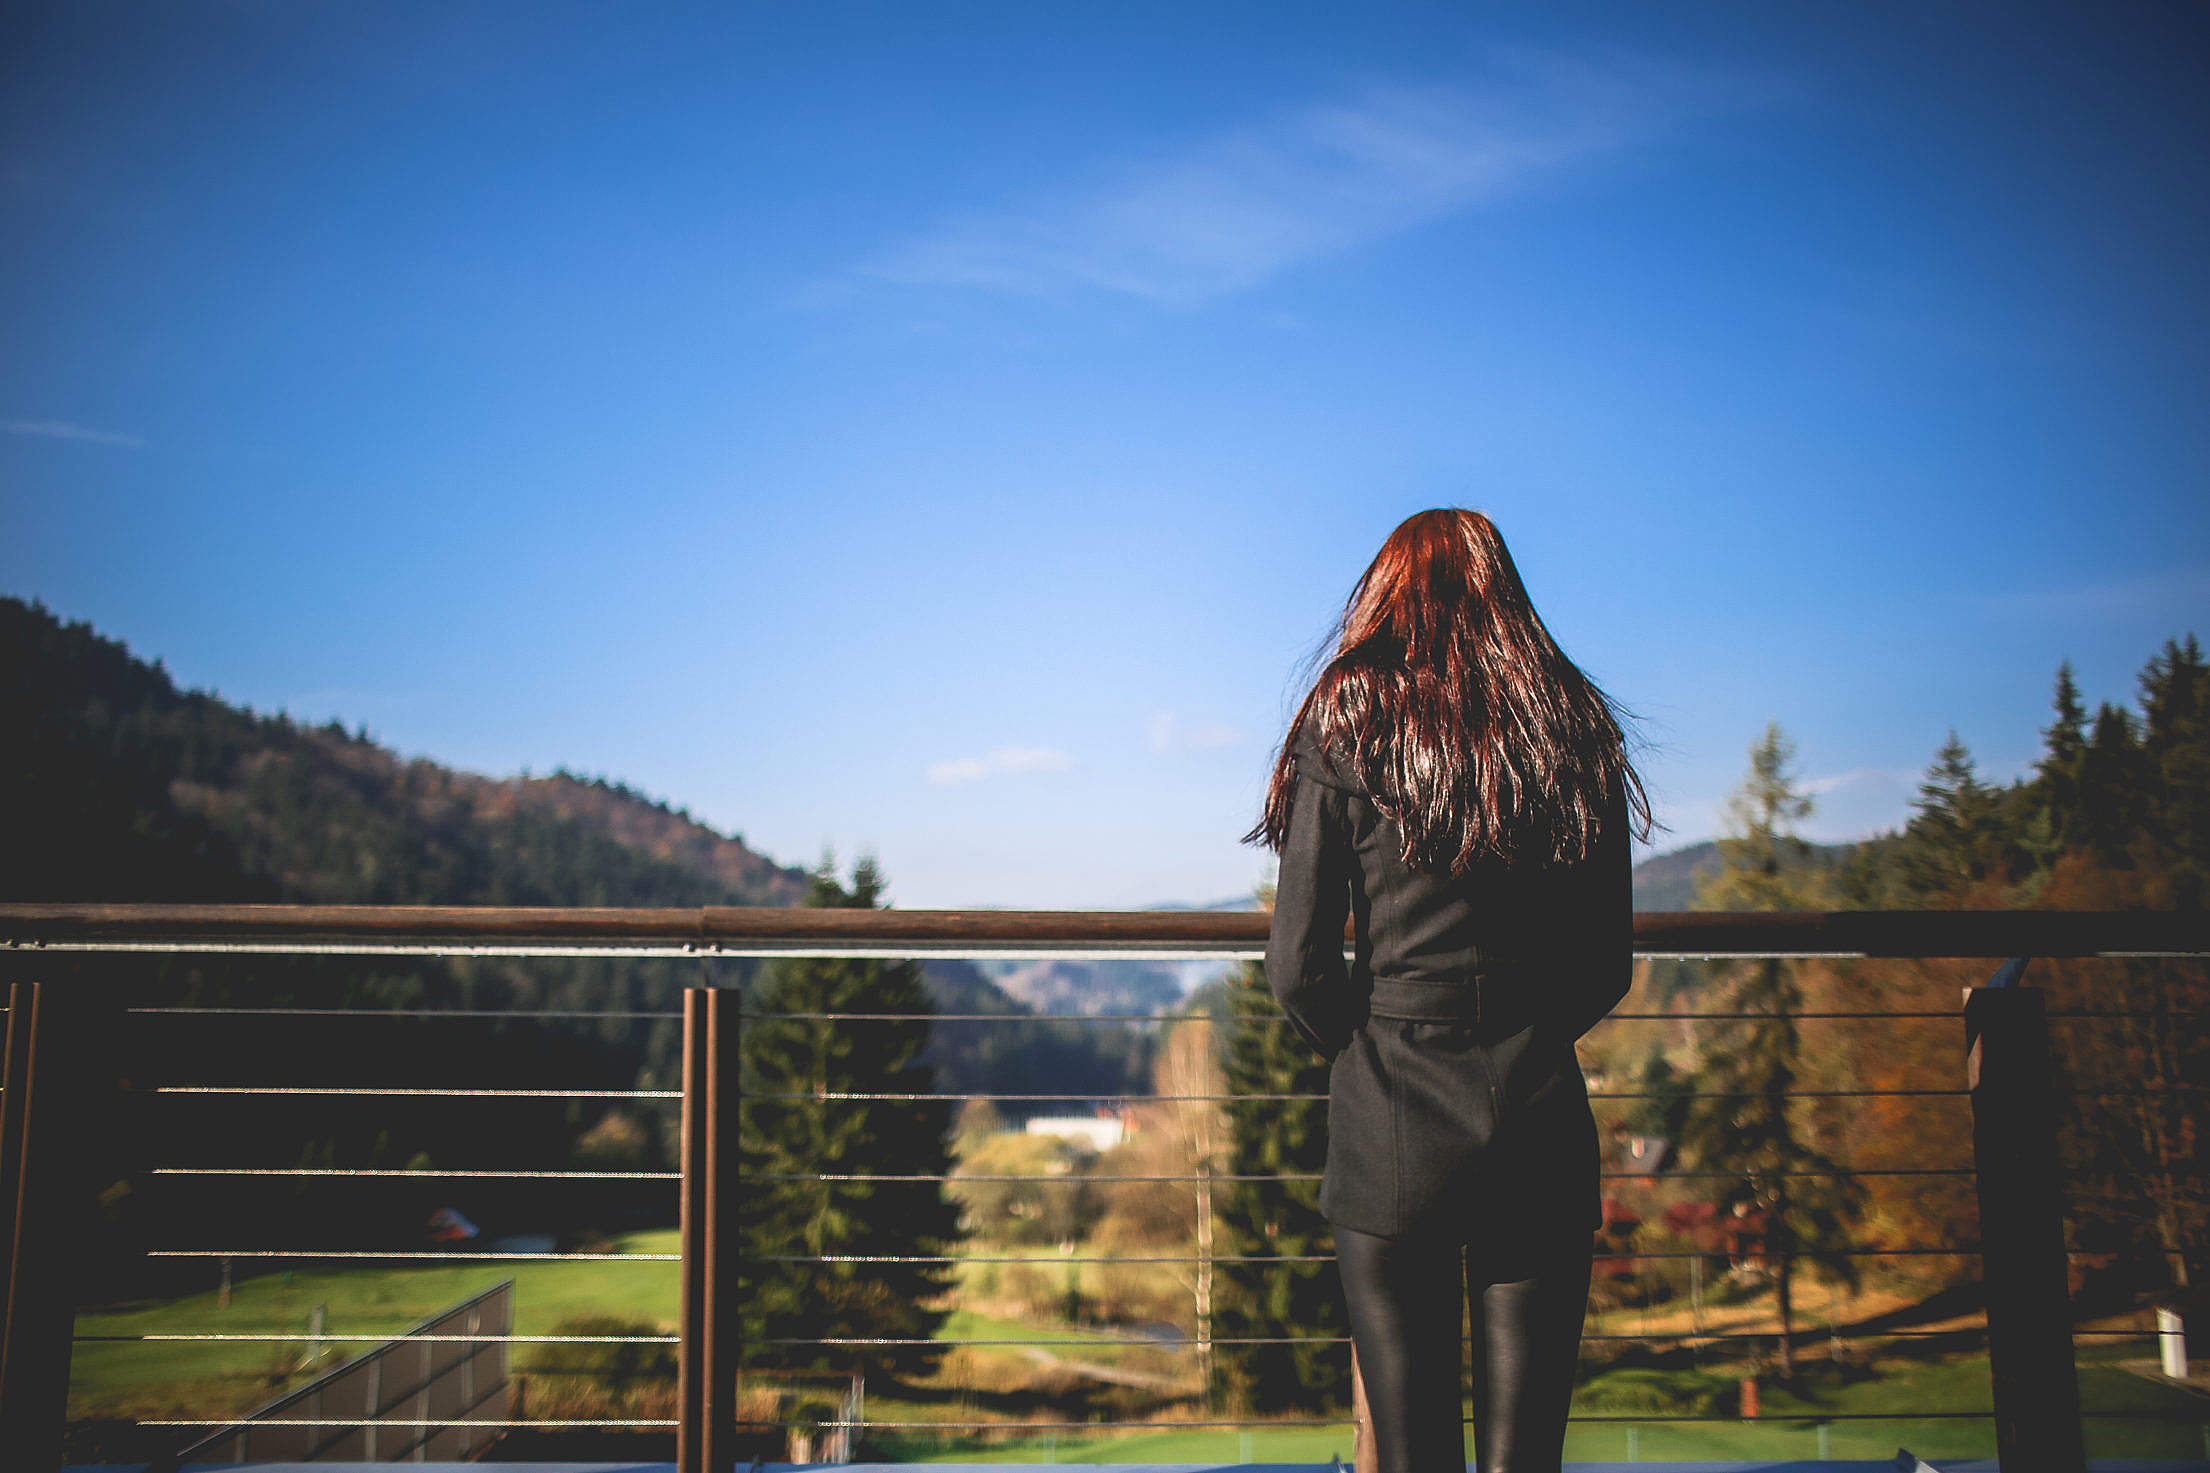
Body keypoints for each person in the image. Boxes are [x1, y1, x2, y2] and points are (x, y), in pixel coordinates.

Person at [1249, 508, 1650, 1473]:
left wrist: (1373, 1047)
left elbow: (1298, 963)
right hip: (1537, 1113)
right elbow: (1604, 962)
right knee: (1528, 1459)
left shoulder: (1347, 717)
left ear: (1388, 593)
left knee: (1414, 1449)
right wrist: (1523, 1034)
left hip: (1391, 1110)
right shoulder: (1575, 720)